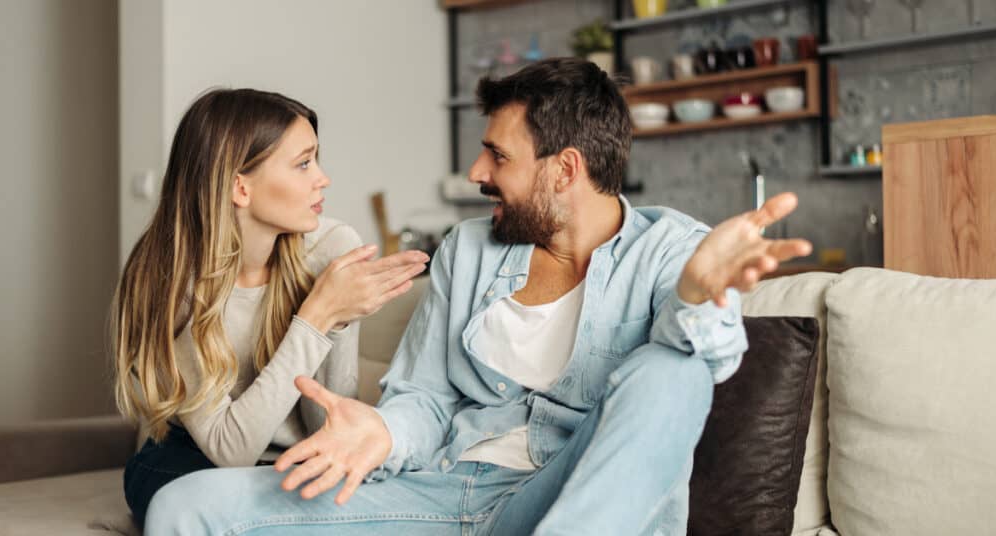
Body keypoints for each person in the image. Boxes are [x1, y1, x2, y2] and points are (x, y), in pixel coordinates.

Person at [143, 58, 812, 535]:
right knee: (183, 507)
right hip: (434, 492)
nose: (475, 173)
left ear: (565, 169)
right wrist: (380, 430)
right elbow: (423, 398)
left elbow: (708, 364)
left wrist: (696, 297)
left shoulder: (671, 251)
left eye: (497, 156)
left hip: (559, 499)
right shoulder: (469, 248)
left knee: (674, 366)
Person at [111, 88, 429, 526]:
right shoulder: (172, 281)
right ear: (240, 187)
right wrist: (316, 316)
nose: (323, 178)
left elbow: (324, 423)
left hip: (297, 457)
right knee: (187, 497)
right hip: (192, 458)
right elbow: (230, 451)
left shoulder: (332, 249)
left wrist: (334, 319)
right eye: (303, 163)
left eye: (316, 159)